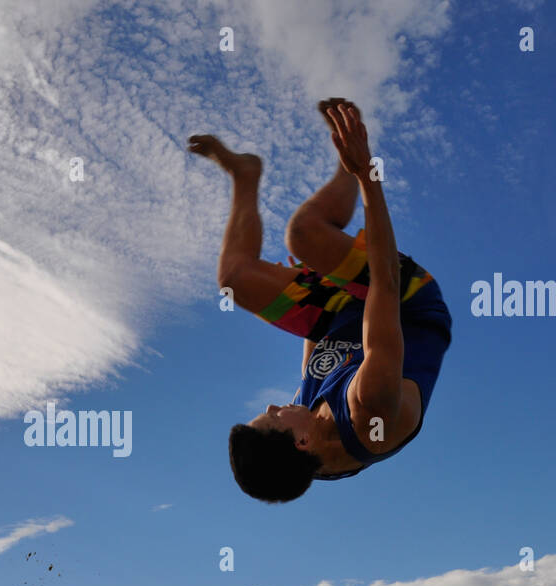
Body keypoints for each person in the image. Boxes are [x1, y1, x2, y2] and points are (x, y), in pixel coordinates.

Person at [189, 99, 452, 502]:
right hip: (405, 301)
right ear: (302, 442)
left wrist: (319, 290)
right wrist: (367, 174)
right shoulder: (371, 409)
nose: (276, 405)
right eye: (274, 416)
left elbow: (316, 361)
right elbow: (384, 279)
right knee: (306, 235)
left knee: (235, 282)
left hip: (338, 319)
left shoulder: (300, 446)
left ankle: (244, 174)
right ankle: (348, 158)